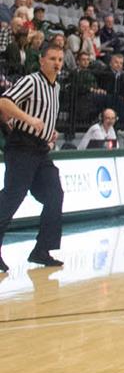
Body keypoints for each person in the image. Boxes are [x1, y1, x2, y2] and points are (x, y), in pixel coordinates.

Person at [0, 42, 66, 272]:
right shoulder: (31, 81)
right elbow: (4, 101)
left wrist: (50, 132)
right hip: (21, 147)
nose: (57, 63)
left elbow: (45, 116)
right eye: (52, 59)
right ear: (41, 60)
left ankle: (41, 250)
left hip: (40, 149)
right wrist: (28, 119)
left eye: (60, 59)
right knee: (12, 197)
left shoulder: (56, 87)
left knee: (54, 194)